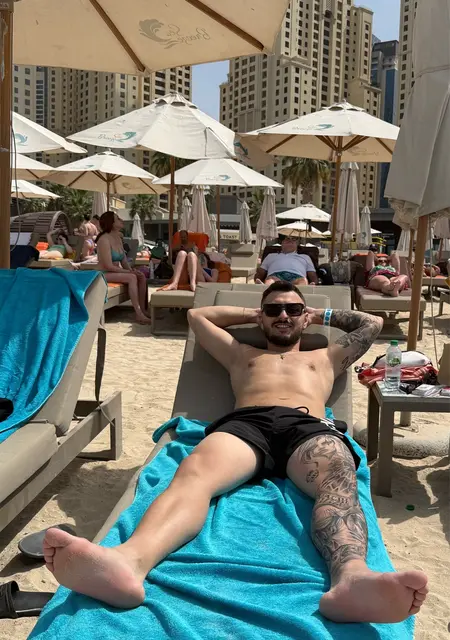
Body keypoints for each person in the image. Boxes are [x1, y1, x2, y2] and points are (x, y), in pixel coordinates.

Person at [42, 281, 428, 623]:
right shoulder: (241, 353)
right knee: (194, 474)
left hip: (307, 426)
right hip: (247, 425)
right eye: (273, 309)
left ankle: (352, 579)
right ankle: (128, 563)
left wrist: (318, 313)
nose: (283, 315)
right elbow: (197, 316)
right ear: (262, 316)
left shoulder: (326, 356)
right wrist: (254, 313)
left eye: (292, 309)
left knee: (338, 478)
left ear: (305, 316)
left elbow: (371, 323)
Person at [96, 211, 151, 324]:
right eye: (118, 218)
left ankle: (143, 310)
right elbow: (108, 266)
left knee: (140, 276)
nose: (121, 220)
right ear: (111, 223)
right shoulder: (104, 240)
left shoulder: (117, 238)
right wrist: (129, 273)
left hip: (114, 272)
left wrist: (131, 270)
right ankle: (138, 314)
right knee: (132, 277)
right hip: (103, 273)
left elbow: (124, 260)